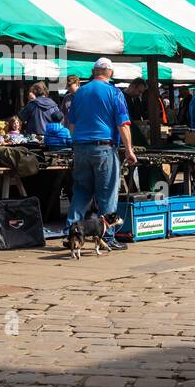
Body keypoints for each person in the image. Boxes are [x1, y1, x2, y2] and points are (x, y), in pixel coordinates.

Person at [65, 58, 137, 250]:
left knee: (81, 192)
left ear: (93, 71)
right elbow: (123, 124)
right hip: (104, 148)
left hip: (81, 147)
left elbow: (71, 124)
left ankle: (71, 233)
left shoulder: (79, 93)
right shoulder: (114, 93)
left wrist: (78, 143)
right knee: (107, 194)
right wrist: (129, 150)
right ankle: (109, 237)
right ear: (110, 73)